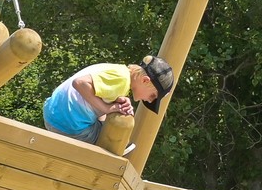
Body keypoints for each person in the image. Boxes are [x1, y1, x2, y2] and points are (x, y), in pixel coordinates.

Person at [41, 56, 176, 145]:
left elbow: (95, 95)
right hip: (67, 124)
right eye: (152, 96)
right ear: (145, 81)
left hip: (52, 112)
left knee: (107, 128)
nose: (148, 100)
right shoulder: (122, 80)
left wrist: (114, 104)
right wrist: (107, 109)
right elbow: (80, 83)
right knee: (113, 143)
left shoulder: (118, 71)